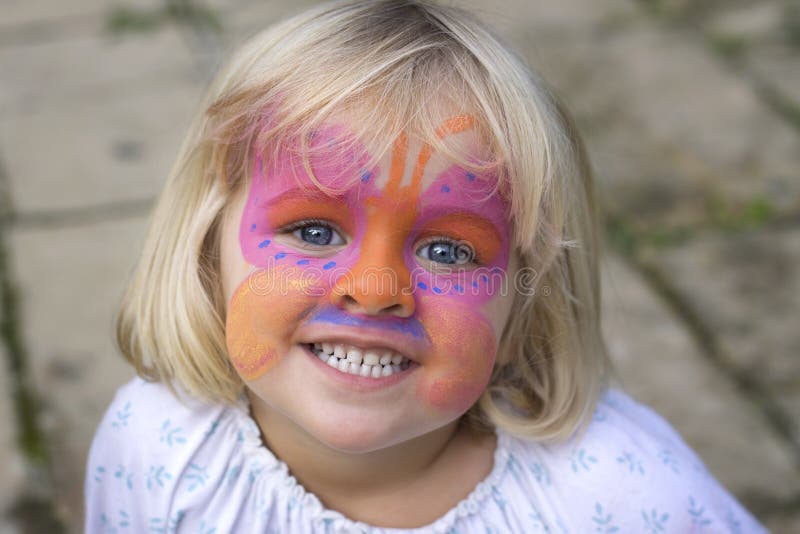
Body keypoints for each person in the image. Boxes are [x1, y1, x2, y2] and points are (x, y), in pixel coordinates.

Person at [84, 1, 766, 532]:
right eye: (314, 230)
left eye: (447, 251)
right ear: (209, 250)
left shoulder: (624, 498)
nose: (376, 291)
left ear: (527, 297)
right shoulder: (157, 452)